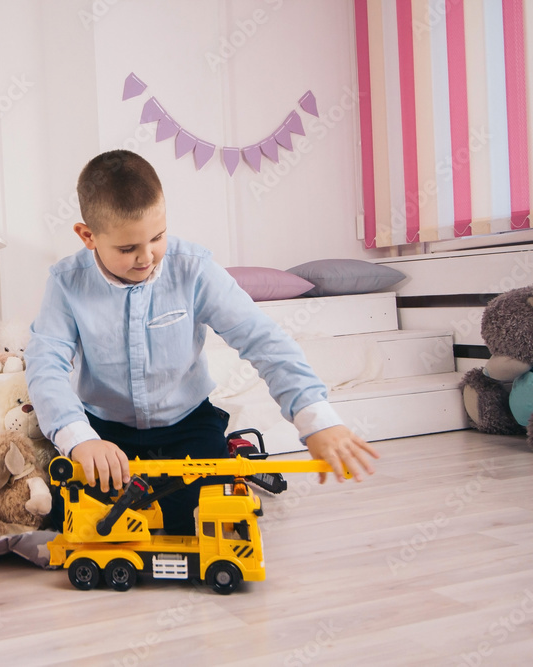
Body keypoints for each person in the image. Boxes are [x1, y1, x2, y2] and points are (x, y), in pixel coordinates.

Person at [25, 149, 380, 536]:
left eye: (157, 237)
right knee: (85, 524)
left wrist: (316, 418)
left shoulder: (194, 268)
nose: (147, 257)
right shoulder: (65, 283)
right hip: (106, 430)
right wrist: (79, 439)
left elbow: (263, 340)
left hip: (186, 425)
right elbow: (46, 368)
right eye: (127, 249)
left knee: (193, 522)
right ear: (87, 236)